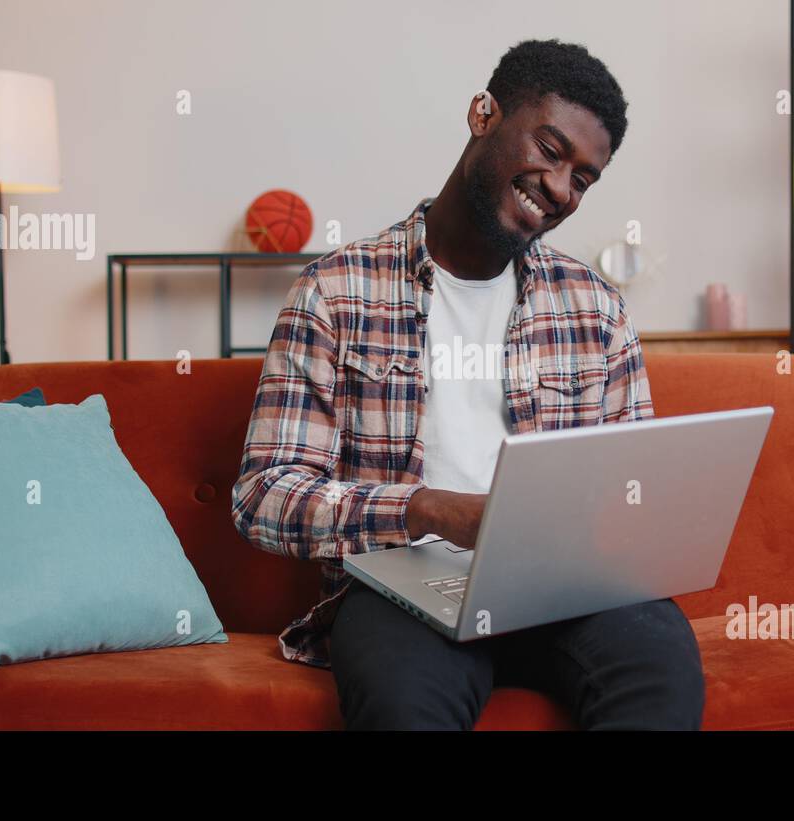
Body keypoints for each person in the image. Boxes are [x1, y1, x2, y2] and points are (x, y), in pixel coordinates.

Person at [232, 38, 703, 730]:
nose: (560, 187)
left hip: (561, 587)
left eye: (583, 177)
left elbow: (631, 488)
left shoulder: (595, 306)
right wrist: (429, 510)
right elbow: (263, 494)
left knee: (660, 668)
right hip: (404, 586)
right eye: (549, 148)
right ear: (483, 114)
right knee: (401, 704)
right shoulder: (336, 291)